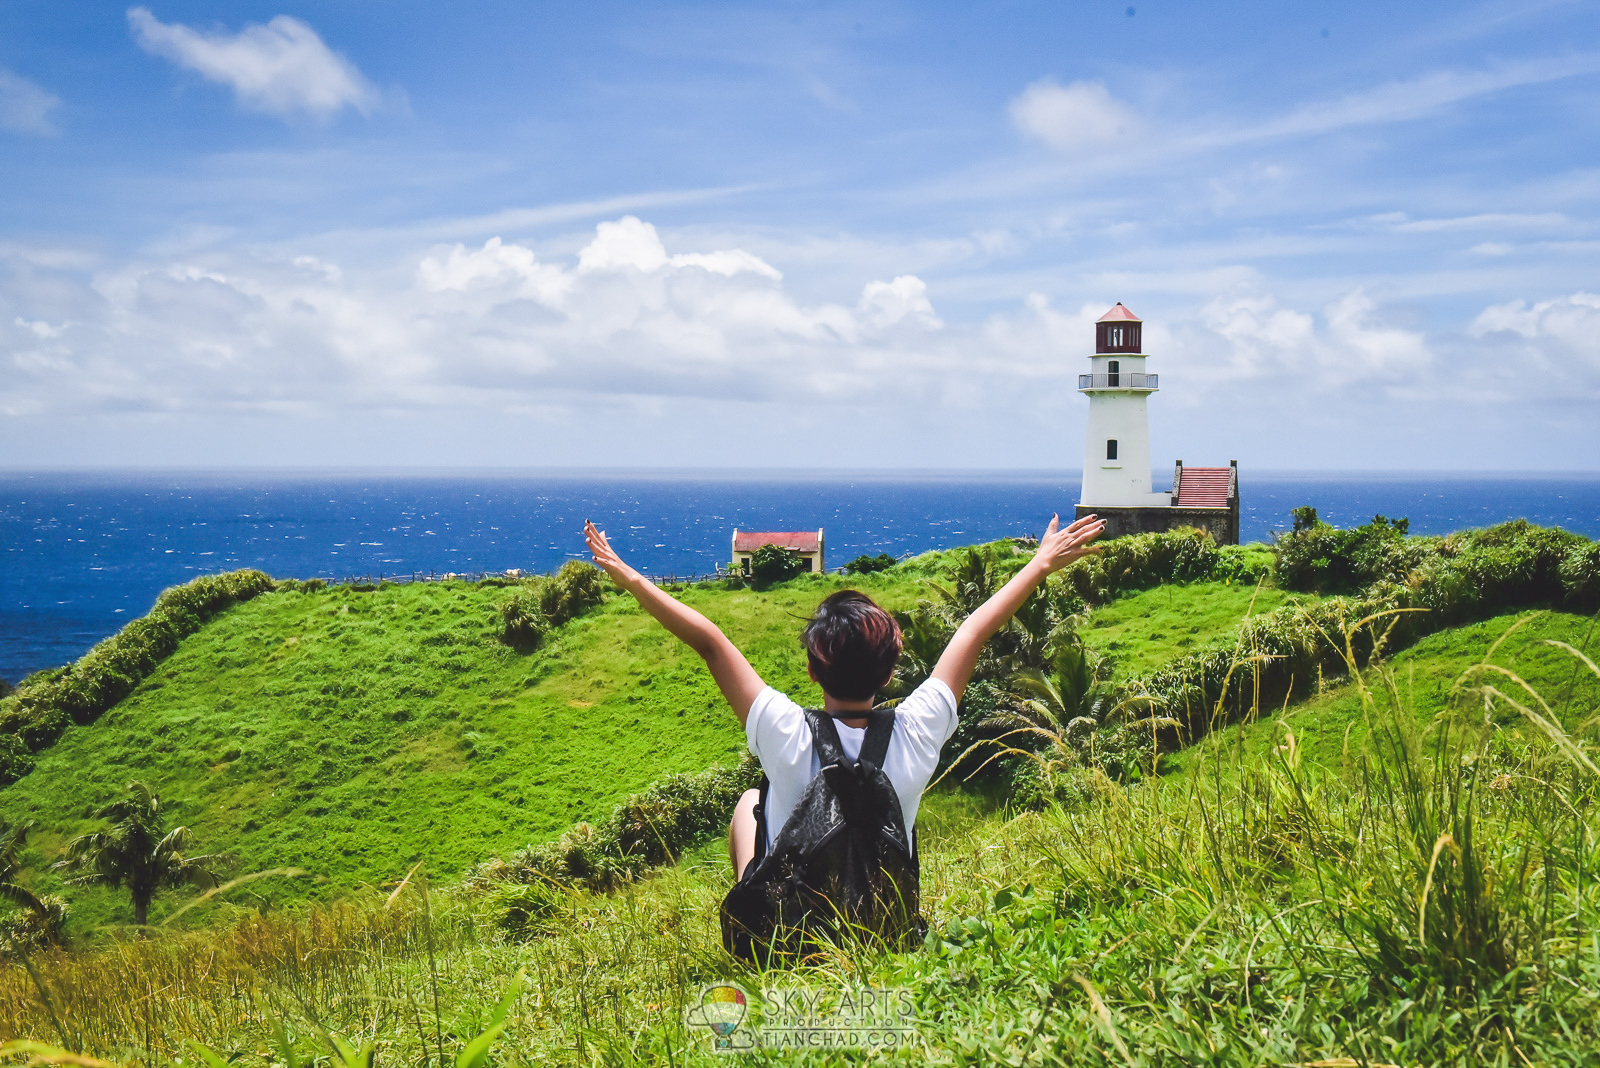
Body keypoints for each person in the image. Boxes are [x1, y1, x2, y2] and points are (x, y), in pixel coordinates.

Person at [583, 512, 1105, 882]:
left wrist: (627, 575)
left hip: (789, 938)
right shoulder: (917, 731)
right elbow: (972, 632)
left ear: (812, 671)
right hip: (885, 931)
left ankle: (752, 901)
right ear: (891, 671)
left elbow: (710, 642)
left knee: (749, 804)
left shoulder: (785, 731)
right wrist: (1038, 564)